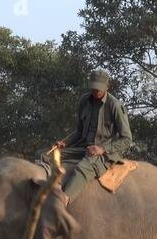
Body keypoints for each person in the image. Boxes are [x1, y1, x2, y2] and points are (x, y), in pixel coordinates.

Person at [51, 69, 133, 204]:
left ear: (107, 87)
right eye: (93, 88)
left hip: (103, 155)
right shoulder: (84, 101)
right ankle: (45, 187)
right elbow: (79, 130)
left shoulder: (115, 106)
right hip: (83, 148)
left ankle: (62, 201)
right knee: (47, 155)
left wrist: (102, 149)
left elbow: (127, 139)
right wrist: (65, 142)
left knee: (82, 169)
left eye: (99, 89)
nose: (95, 92)